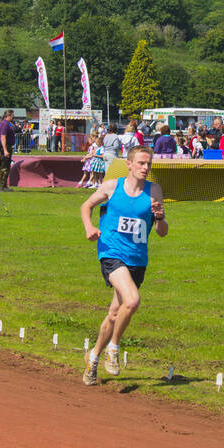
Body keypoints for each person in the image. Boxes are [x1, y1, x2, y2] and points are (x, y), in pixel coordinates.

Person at [80, 145, 168, 385]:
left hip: (137, 258)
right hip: (111, 252)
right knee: (132, 300)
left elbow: (162, 232)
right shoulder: (112, 187)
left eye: (149, 164)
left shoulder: (154, 191)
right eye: (141, 163)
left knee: (114, 313)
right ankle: (114, 348)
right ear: (129, 164)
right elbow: (85, 205)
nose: (145, 167)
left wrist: (159, 217)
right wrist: (89, 227)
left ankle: (93, 358)